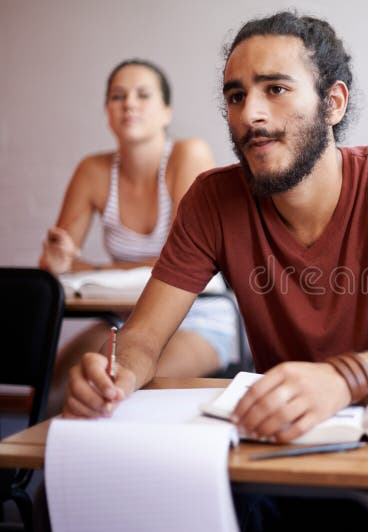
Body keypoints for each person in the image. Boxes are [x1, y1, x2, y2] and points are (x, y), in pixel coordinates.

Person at [62, 12, 368, 531]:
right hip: (285, 436)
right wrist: (119, 373)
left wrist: (342, 379)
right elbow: (144, 338)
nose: (250, 114)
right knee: (188, 500)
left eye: (276, 89)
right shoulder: (212, 200)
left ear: (333, 103)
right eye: (236, 96)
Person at [39, 59, 237, 413]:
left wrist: (93, 269)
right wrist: (57, 262)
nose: (129, 103)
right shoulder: (92, 170)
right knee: (54, 389)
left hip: (199, 315)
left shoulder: (188, 154)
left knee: (125, 392)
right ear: (107, 112)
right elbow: (60, 264)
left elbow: (180, 260)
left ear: (166, 112)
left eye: (143, 95)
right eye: (118, 96)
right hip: (122, 319)